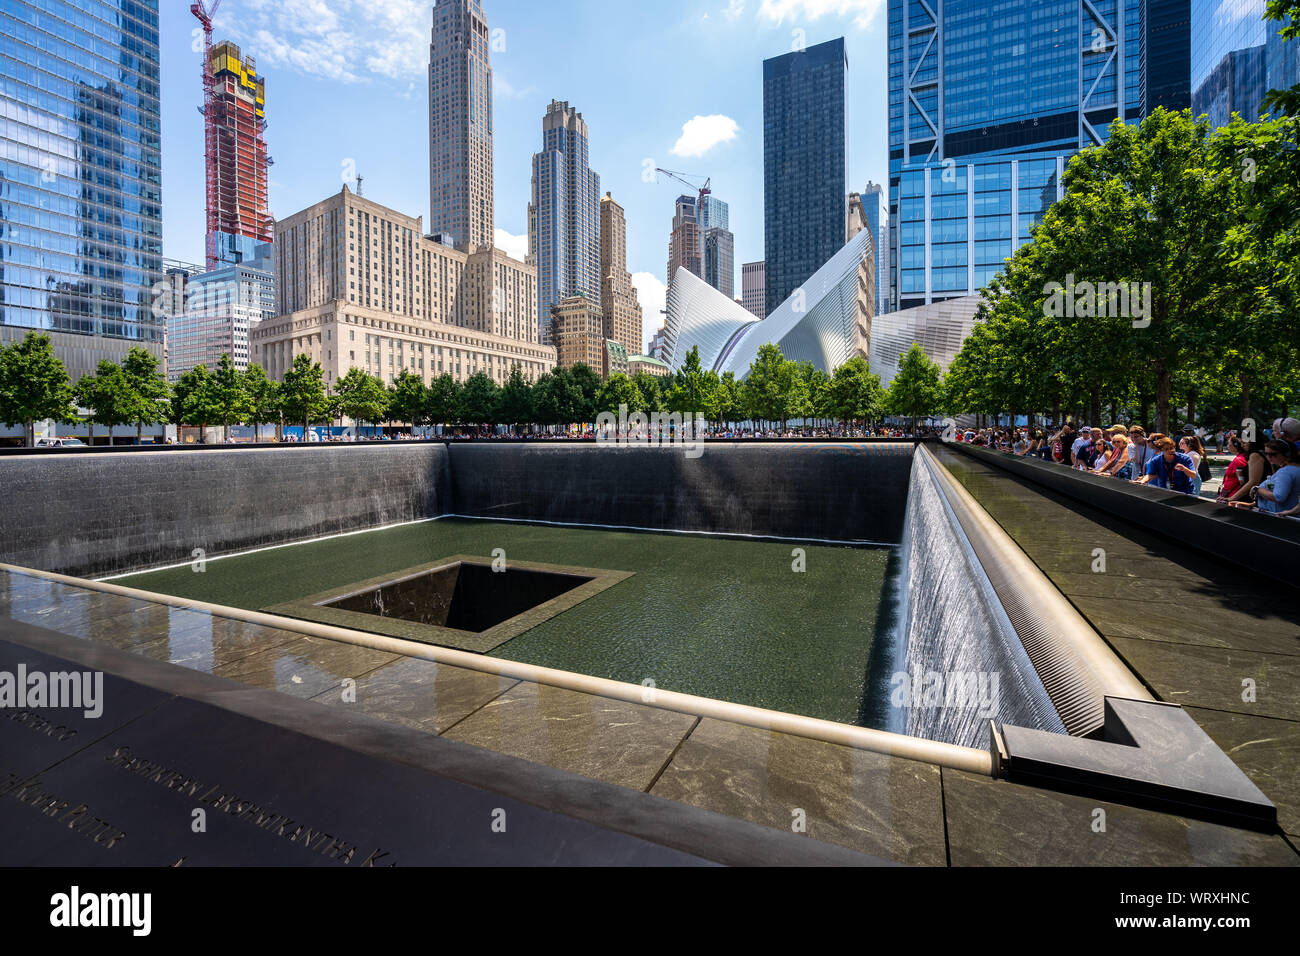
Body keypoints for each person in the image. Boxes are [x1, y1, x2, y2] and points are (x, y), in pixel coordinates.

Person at [1253, 441, 1300, 516]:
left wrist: (1257, 490)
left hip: (1281, 517)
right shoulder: (1292, 468)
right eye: (1266, 454)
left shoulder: (1285, 472)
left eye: (1272, 454)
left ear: (1287, 453)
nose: (1268, 457)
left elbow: (1278, 497)